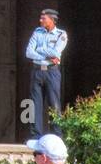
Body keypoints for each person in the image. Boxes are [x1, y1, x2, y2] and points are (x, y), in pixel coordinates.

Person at [24, 8, 68, 137]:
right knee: (34, 104)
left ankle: (56, 135)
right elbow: (28, 52)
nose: (40, 20)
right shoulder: (37, 32)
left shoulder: (61, 34)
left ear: (52, 20)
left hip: (51, 72)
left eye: (43, 18)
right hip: (37, 71)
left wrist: (39, 49)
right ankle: (35, 135)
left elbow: (56, 52)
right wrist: (46, 55)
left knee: (54, 104)